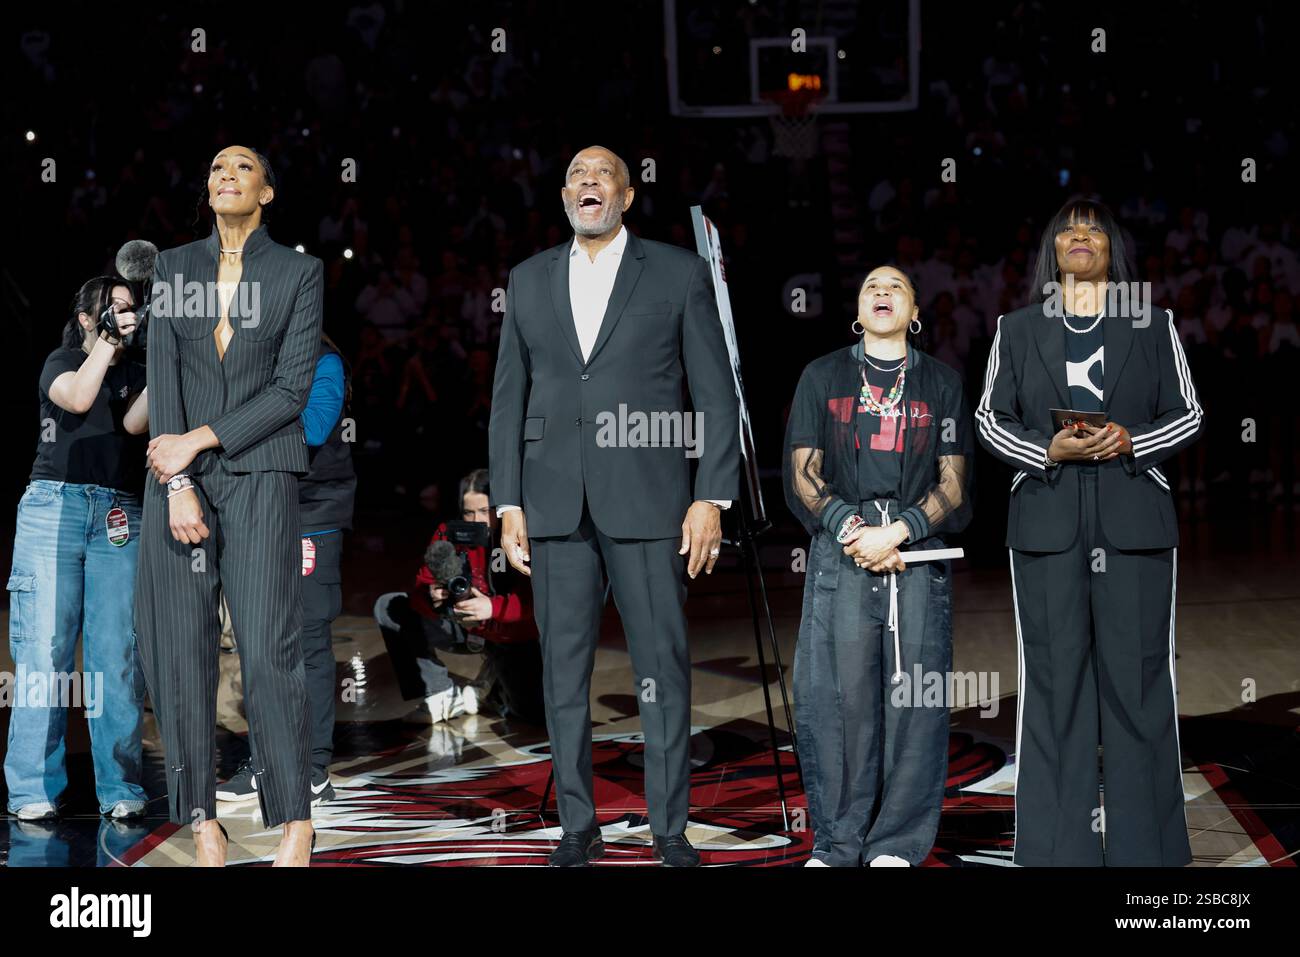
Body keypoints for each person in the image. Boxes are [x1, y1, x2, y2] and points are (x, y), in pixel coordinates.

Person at [489, 145, 739, 867]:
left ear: (627, 195)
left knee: (662, 665)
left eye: (602, 175)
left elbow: (715, 396)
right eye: (574, 175)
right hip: (553, 507)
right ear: (564, 195)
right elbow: (508, 403)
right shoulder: (528, 279)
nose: (586, 183)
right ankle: (577, 827)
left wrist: (710, 498)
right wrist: (508, 501)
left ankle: (670, 829)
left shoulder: (677, 272)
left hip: (652, 503)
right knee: (561, 674)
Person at [977, 199, 1203, 866]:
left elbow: (1187, 413)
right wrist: (1047, 451)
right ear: (1052, 250)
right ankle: (1055, 850)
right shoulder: (1015, 329)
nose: (1081, 236)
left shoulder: (1153, 323)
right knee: (1052, 686)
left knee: (1138, 685)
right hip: (1046, 527)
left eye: (1094, 229)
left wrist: (1132, 440)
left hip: (1134, 522)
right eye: (1068, 229)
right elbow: (991, 419)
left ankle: (1149, 852)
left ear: (1112, 250)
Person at [133, 145, 323, 867]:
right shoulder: (174, 267)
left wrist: (199, 442)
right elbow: (165, 374)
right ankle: (201, 817)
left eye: (241, 168)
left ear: (266, 192)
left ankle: (295, 820)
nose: (224, 176)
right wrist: (178, 479)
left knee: (270, 650)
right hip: (177, 482)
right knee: (180, 653)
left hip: (261, 472)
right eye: (214, 168)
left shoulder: (299, 273)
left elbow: (291, 390)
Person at [784, 265, 974, 867]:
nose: (882, 292)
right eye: (870, 286)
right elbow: (802, 473)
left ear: (914, 310)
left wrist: (900, 530)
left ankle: (895, 843)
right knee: (838, 700)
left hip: (914, 553)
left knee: (913, 703)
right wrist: (850, 527)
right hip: (841, 555)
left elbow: (955, 482)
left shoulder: (941, 383)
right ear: (858, 310)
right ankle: (838, 843)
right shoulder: (823, 376)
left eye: (895, 286)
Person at [5, 276, 150, 822]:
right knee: (45, 651)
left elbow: (137, 423)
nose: (124, 317)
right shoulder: (61, 360)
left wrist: (165, 353)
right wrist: (110, 343)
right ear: (88, 319)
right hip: (53, 507)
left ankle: (119, 786)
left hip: (118, 511)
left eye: (130, 310)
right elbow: (80, 396)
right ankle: (31, 788)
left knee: (116, 655)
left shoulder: (134, 369)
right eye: (112, 310)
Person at [216, 332, 356, 806]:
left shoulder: (325, 360)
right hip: (259, 512)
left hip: (312, 516)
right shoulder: (252, 357)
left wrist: (237, 423)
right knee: (260, 642)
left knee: (309, 640)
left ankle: (312, 770)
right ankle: (265, 760)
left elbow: (314, 429)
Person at [374, 468, 545, 726]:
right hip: (463, 627)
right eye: (469, 512)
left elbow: (541, 602)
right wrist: (433, 598)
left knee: (531, 715)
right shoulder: (448, 533)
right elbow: (421, 586)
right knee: (391, 606)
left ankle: (494, 681)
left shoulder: (520, 536)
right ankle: (440, 692)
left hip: (511, 633)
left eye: (484, 511)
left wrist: (493, 608)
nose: (476, 519)